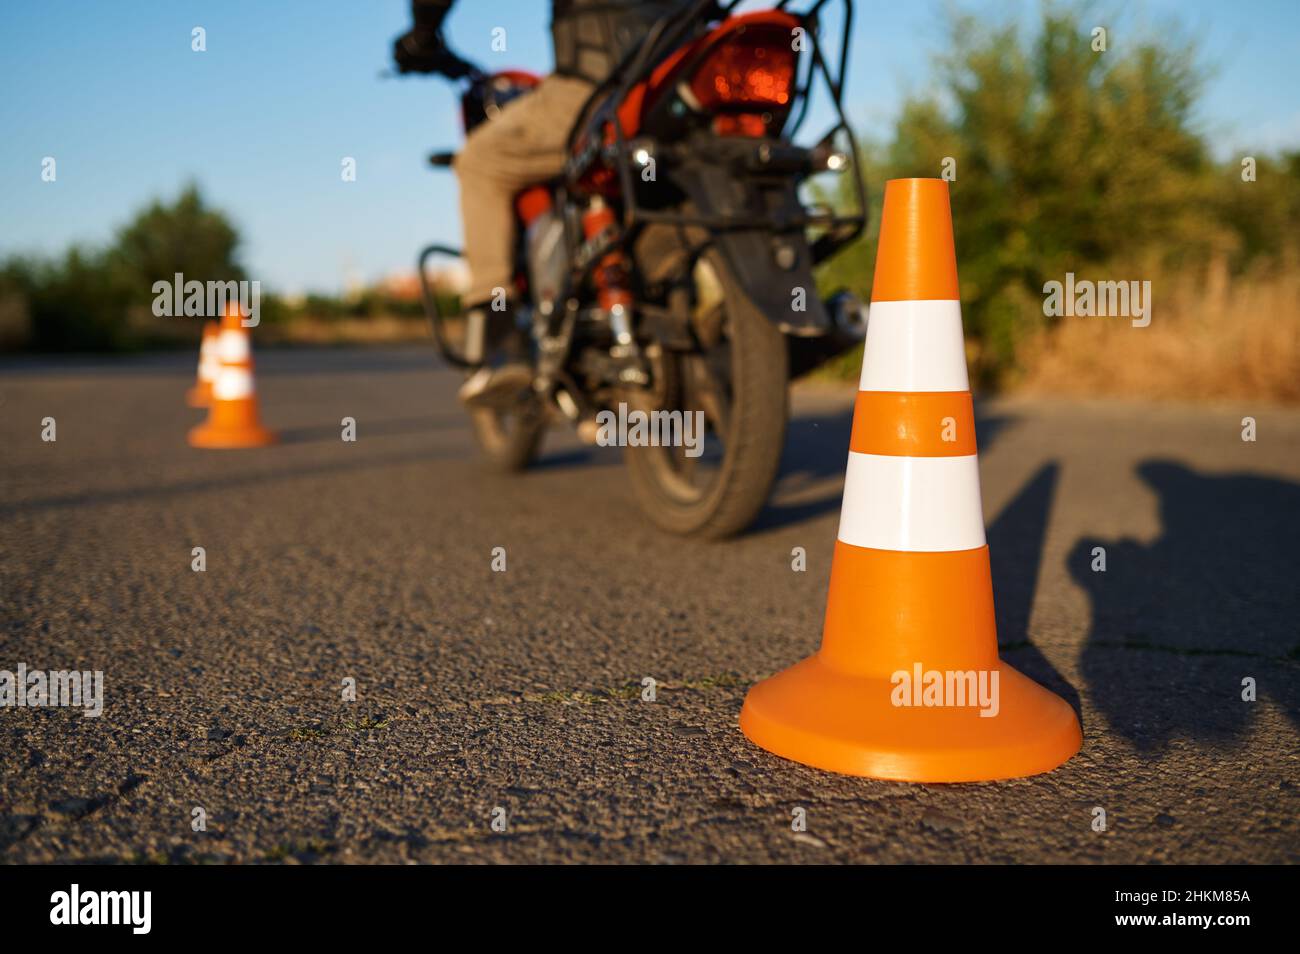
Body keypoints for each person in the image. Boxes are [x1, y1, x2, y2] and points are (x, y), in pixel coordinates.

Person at [393, 0, 689, 403]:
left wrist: (424, 34)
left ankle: (499, 342)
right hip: (684, 68)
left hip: (603, 79)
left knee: (479, 162)